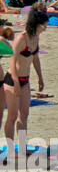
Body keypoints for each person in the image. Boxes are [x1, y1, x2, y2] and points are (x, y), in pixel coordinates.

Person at [4, 9, 47, 152]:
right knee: (12, 116)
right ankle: (11, 149)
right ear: (36, 24)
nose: (45, 28)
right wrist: (16, 82)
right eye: (44, 26)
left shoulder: (36, 37)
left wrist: (40, 77)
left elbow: (35, 58)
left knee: (24, 115)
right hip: (12, 80)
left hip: (25, 80)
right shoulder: (21, 38)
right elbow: (12, 60)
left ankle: (22, 147)